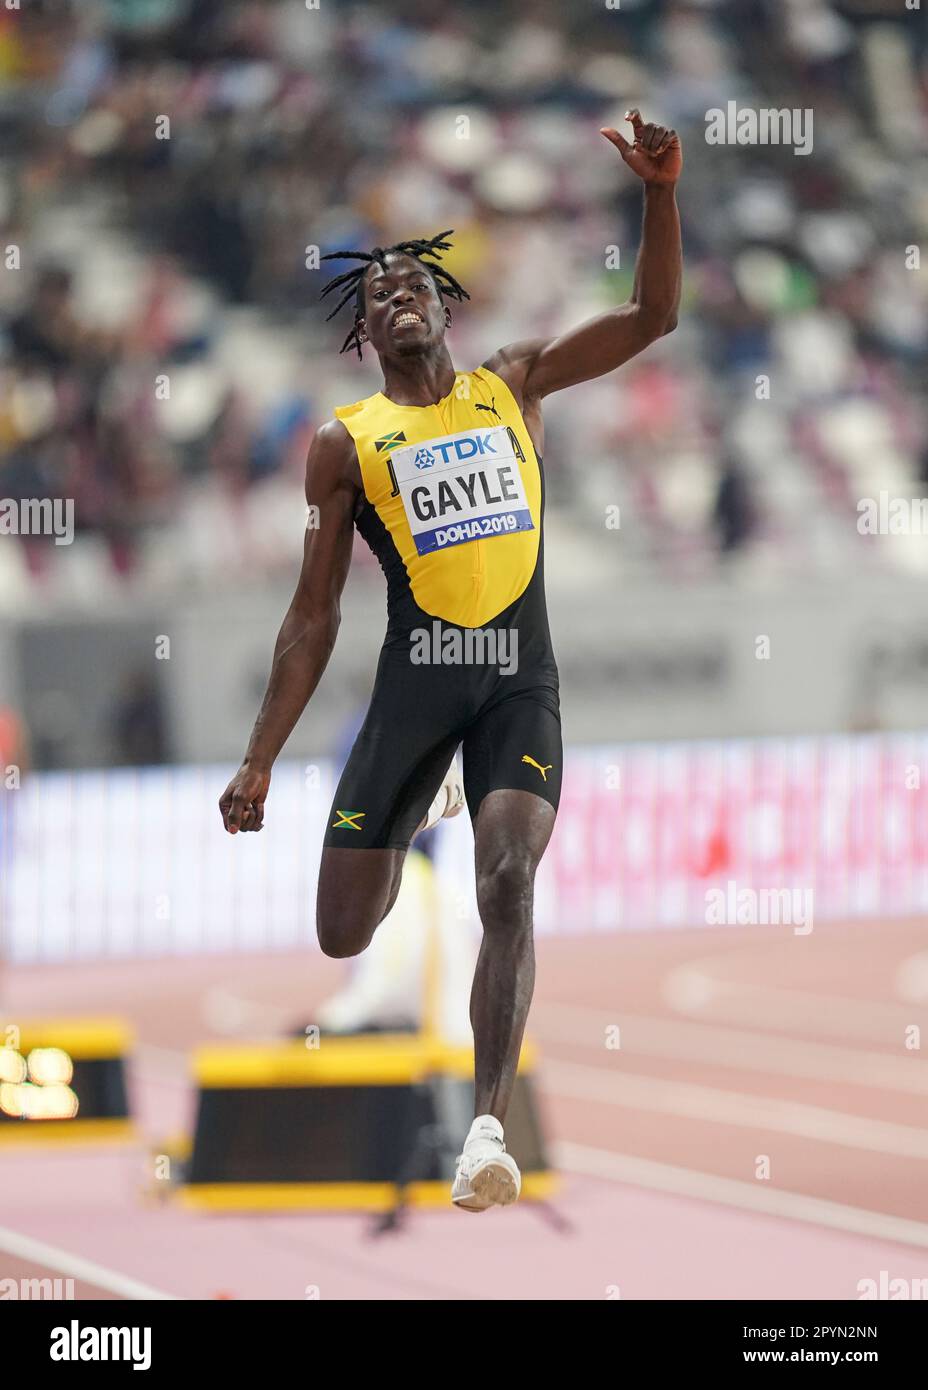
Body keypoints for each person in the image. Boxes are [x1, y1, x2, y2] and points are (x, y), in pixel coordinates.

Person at [220, 111, 682, 1211]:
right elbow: (311, 617)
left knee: (509, 879)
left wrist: (661, 192)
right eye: (375, 289)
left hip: (519, 685)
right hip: (413, 693)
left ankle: (484, 1128)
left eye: (412, 279)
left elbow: (653, 314)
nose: (397, 292)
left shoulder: (511, 385)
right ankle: (418, 796)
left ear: (443, 299)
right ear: (364, 331)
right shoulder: (347, 444)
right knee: (342, 934)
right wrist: (259, 759)